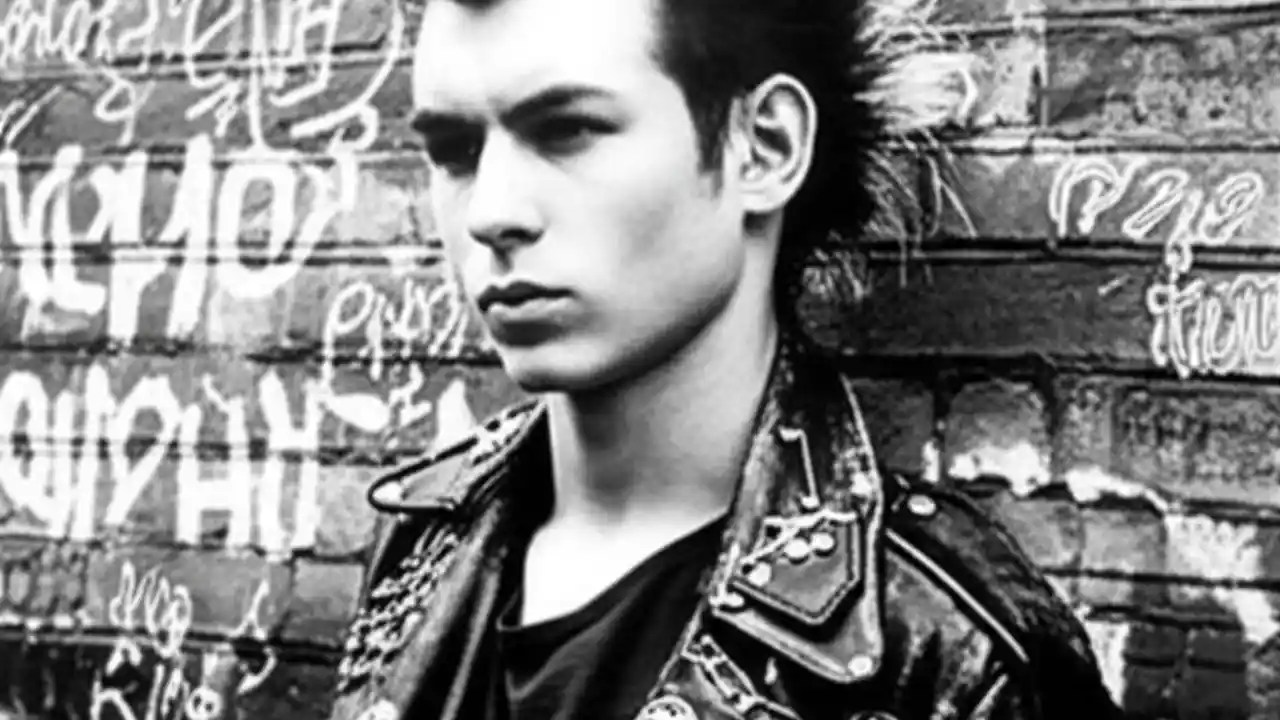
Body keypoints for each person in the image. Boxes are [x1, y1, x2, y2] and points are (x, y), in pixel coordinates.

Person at [328, 0, 1126, 718]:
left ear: (765, 148)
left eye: (568, 130)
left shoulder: (947, 652)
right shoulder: (422, 541)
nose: (492, 213)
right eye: (456, 150)